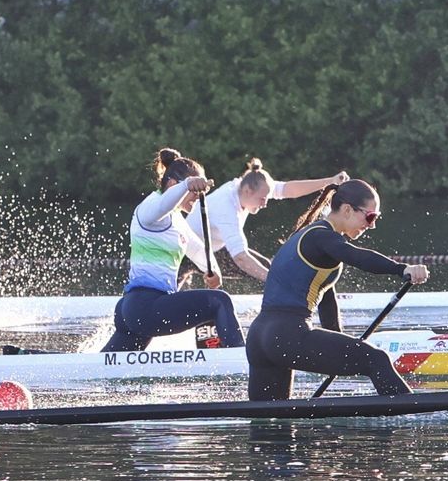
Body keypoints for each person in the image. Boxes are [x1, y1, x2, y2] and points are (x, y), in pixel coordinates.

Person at [245, 179, 429, 401]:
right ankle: (414, 415)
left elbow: (326, 300)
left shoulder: (306, 236)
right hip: (287, 334)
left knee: (271, 418)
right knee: (376, 360)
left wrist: (340, 345)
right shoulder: (322, 236)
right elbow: (357, 256)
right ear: (347, 210)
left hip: (260, 338)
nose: (372, 225)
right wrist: (402, 269)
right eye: (370, 217)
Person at [100, 148, 246, 353]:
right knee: (220, 301)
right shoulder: (150, 207)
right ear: (171, 185)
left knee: (106, 367)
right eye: (195, 191)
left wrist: (214, 271)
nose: (197, 197)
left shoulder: (176, 219)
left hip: (138, 310)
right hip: (145, 307)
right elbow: (163, 206)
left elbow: (197, 250)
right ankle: (240, 359)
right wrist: (186, 185)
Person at [187, 159, 349, 282]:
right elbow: (240, 258)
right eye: (262, 199)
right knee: (270, 275)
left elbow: (289, 190)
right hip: (185, 252)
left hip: (212, 247)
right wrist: (275, 281)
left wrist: (330, 181)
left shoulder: (251, 187)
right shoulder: (226, 207)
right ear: (247, 191)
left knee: (269, 268)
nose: (265, 204)